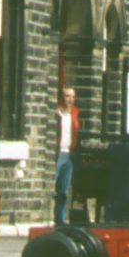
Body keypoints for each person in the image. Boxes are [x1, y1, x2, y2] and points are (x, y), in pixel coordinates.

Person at [53, 86, 80, 225]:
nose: (70, 99)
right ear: (62, 97)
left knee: (64, 191)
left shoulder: (74, 114)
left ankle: (60, 219)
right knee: (54, 186)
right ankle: (52, 217)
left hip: (69, 155)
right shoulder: (57, 114)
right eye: (67, 96)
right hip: (58, 154)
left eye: (72, 97)